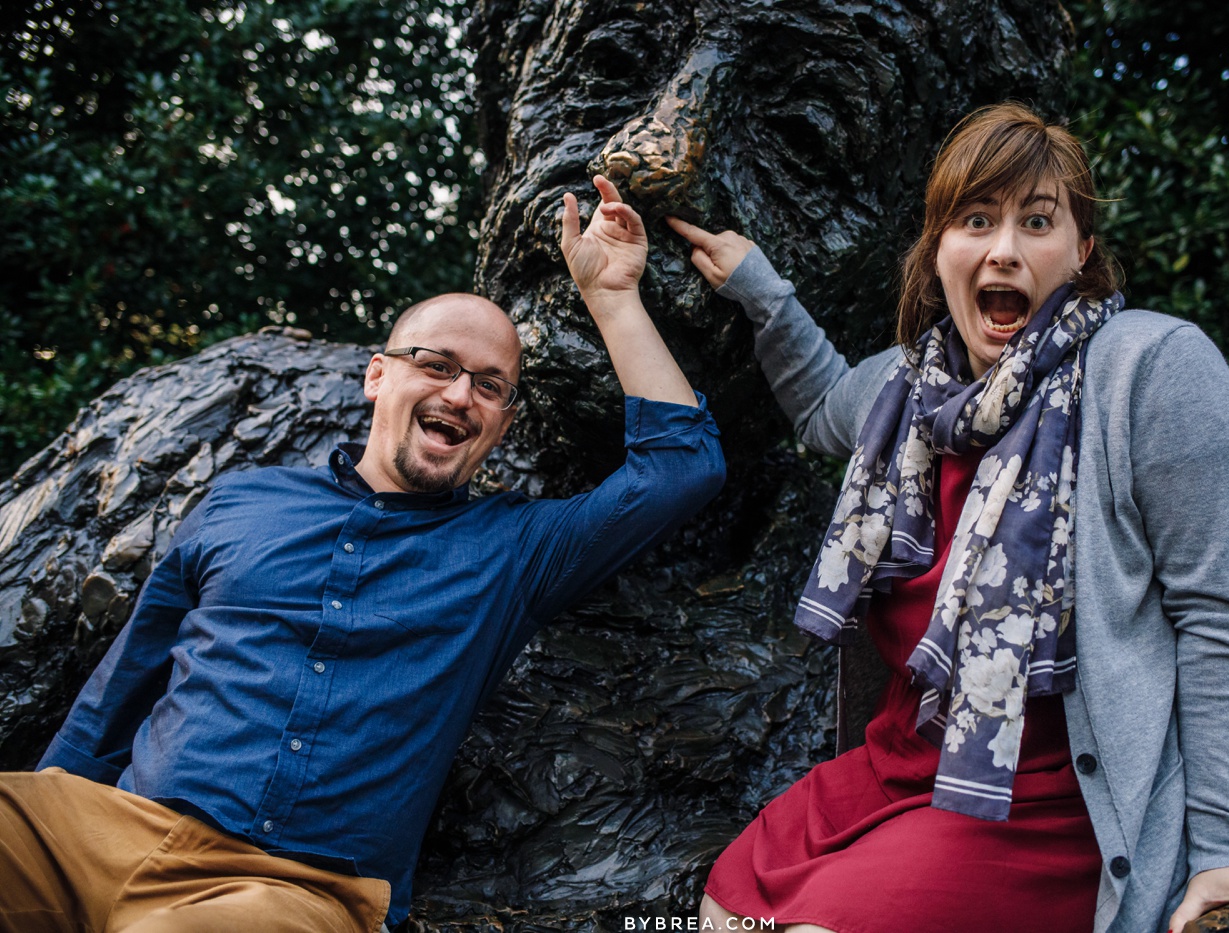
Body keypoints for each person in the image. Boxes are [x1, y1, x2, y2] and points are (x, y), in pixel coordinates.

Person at [0, 175, 725, 933]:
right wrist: (54, 823)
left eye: (489, 385)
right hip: (106, 831)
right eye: (437, 365)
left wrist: (611, 297)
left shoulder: (514, 548)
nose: (460, 394)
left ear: (502, 425)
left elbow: (680, 468)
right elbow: (115, 698)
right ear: (378, 375)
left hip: (287, 890)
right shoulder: (241, 501)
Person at [667, 103, 1229, 933]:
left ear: (1082, 251)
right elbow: (823, 403)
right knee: (724, 905)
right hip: (908, 767)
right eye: (976, 219)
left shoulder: (1155, 373)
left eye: (1038, 221)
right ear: (939, 251)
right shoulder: (906, 388)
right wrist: (758, 286)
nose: (1004, 248)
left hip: (1065, 798)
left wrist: (1227, 845)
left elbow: (1219, 621)